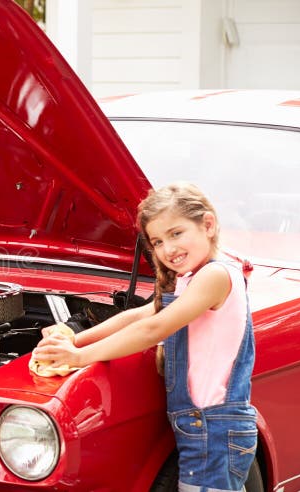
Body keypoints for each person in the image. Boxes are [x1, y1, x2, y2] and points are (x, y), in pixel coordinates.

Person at [32, 182, 256, 491]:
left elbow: (154, 328)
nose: (169, 249)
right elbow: (139, 315)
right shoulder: (190, 277)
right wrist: (74, 338)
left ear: (207, 224)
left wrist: (80, 358)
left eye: (176, 233)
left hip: (214, 427)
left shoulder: (216, 276)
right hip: (203, 425)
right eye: (158, 241)